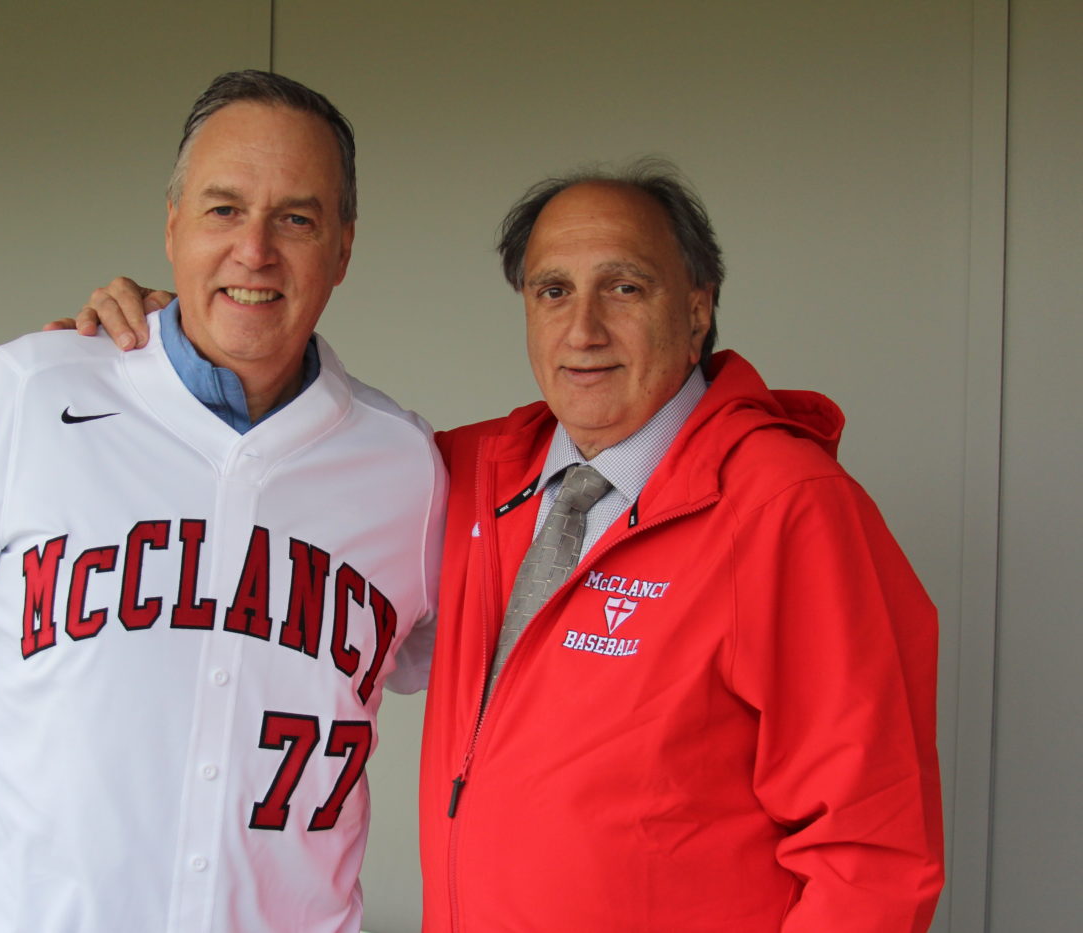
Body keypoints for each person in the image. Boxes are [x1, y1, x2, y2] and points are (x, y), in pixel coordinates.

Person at [73, 165, 944, 930]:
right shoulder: (463, 476)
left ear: (697, 306)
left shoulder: (789, 509)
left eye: (626, 287)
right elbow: (280, 463)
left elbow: (870, 852)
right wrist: (169, 349)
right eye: (552, 290)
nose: (584, 329)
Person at [0, 70, 445, 933]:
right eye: (222, 209)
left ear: (344, 248)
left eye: (297, 218)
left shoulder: (407, 469)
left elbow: (500, 702)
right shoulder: (29, 392)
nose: (255, 250)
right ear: (171, 228)